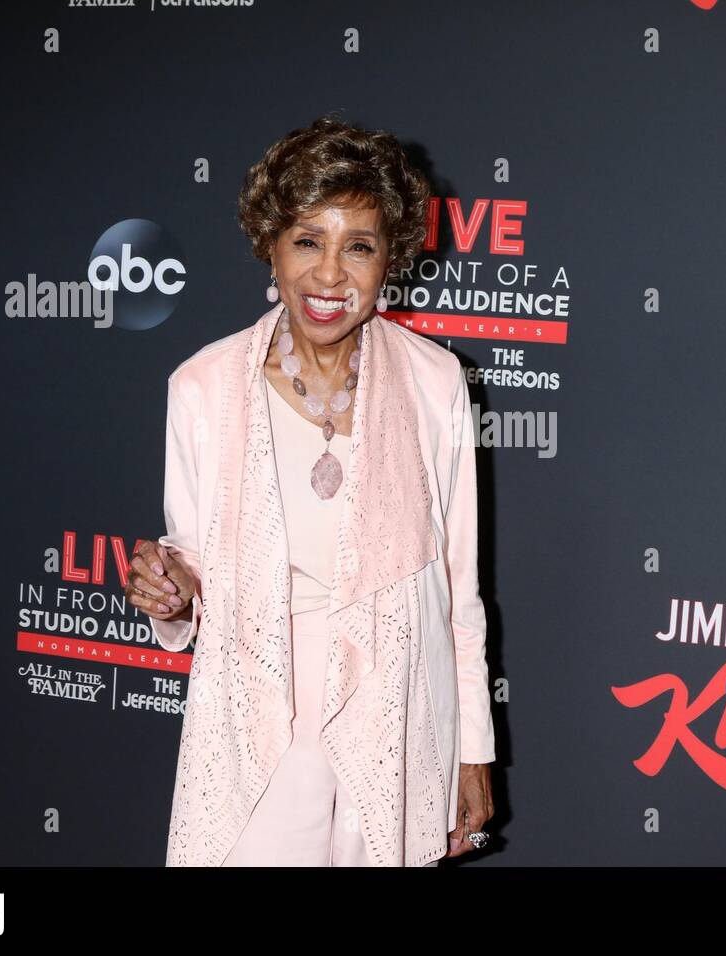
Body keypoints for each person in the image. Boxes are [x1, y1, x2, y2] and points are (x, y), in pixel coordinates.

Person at [124, 114, 496, 867]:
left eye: (358, 247)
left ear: (390, 258)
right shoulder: (203, 387)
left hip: (391, 703)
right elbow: (189, 560)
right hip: (257, 706)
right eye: (307, 242)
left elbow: (459, 587)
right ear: (270, 245)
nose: (330, 277)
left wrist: (472, 748)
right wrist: (172, 587)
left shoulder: (433, 382)